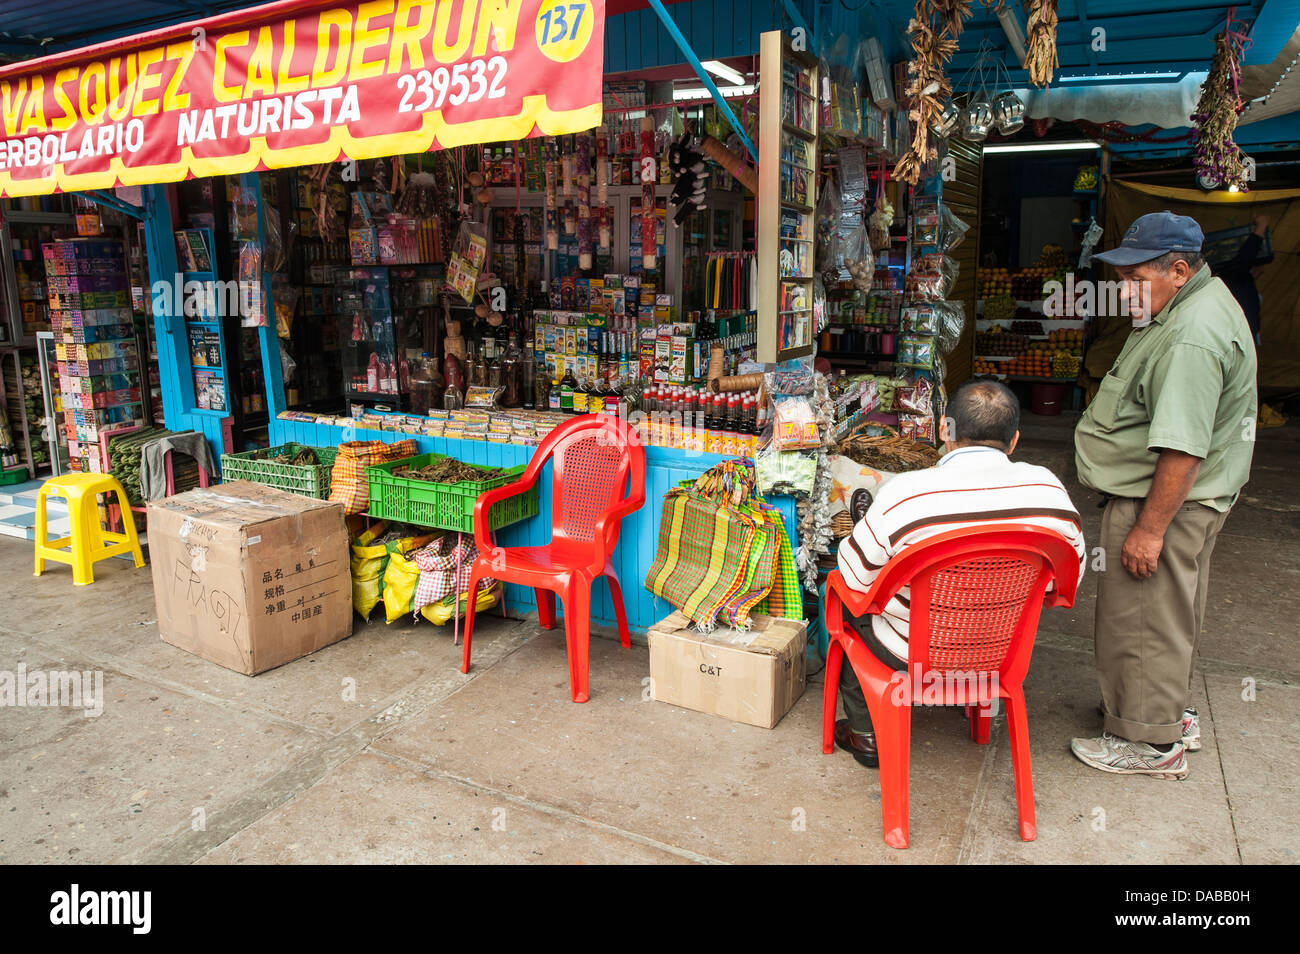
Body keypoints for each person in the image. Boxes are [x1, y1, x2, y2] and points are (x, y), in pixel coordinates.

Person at [1073, 210, 1257, 779]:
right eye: (1121, 278)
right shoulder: (1188, 306)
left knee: (1143, 622)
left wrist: (1149, 529)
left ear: (1179, 270)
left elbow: (1183, 449)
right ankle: (1166, 717)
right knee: (1169, 615)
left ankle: (1148, 745)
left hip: (1165, 503)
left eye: (1135, 279)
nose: (1123, 291)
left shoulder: (1191, 336)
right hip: (1177, 500)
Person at [832, 379, 1086, 767]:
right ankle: (977, 700)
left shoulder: (906, 493)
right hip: (1003, 652)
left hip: (910, 654)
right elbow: (1064, 585)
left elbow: (856, 578)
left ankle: (867, 735)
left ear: (944, 431)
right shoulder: (1050, 491)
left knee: (851, 606)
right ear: (1014, 440)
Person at [1211, 212, 1270, 344]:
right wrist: (1261, 227)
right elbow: (1245, 256)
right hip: (1235, 340)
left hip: (1243, 339)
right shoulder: (1232, 273)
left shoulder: (1241, 278)